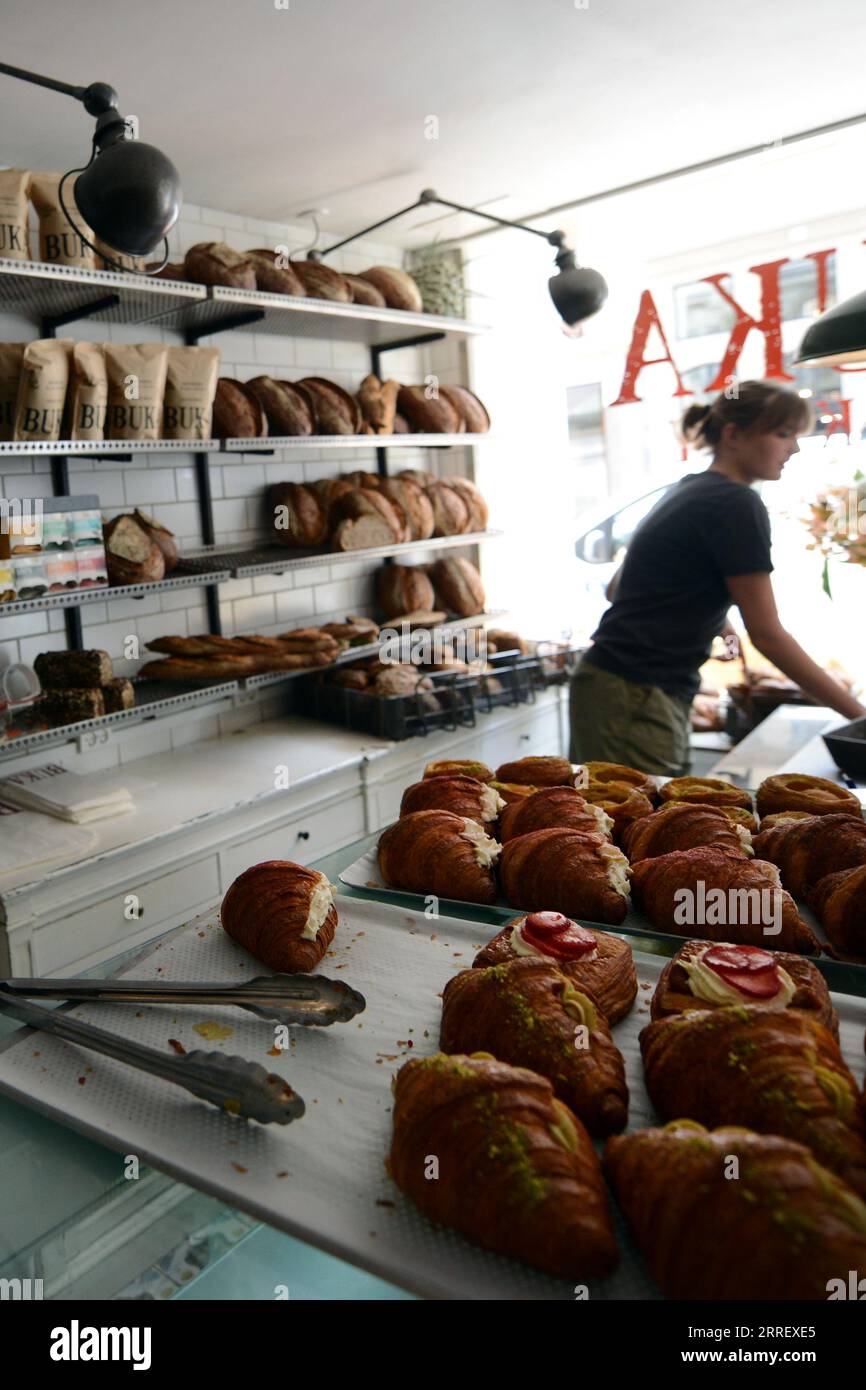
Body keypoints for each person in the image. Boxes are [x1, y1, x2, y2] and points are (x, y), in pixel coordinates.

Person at [569, 379, 866, 775]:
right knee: (639, 826)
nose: (794, 448)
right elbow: (767, 634)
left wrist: (720, 624)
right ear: (733, 435)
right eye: (782, 434)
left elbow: (622, 587)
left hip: (610, 685)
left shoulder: (690, 489)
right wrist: (858, 716)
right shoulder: (736, 503)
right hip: (635, 695)